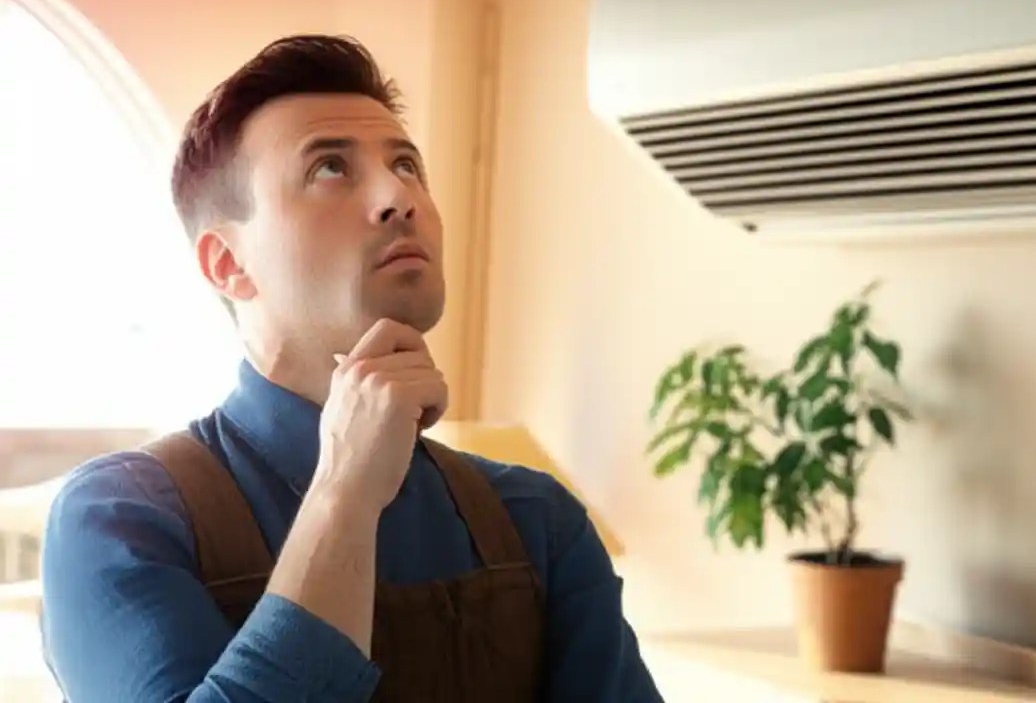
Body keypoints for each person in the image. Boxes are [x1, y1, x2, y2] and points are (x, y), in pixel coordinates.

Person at [40, 34, 663, 702]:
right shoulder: (121, 518)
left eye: (407, 165)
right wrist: (345, 491)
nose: (399, 196)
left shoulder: (538, 520)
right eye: (330, 168)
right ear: (228, 264)